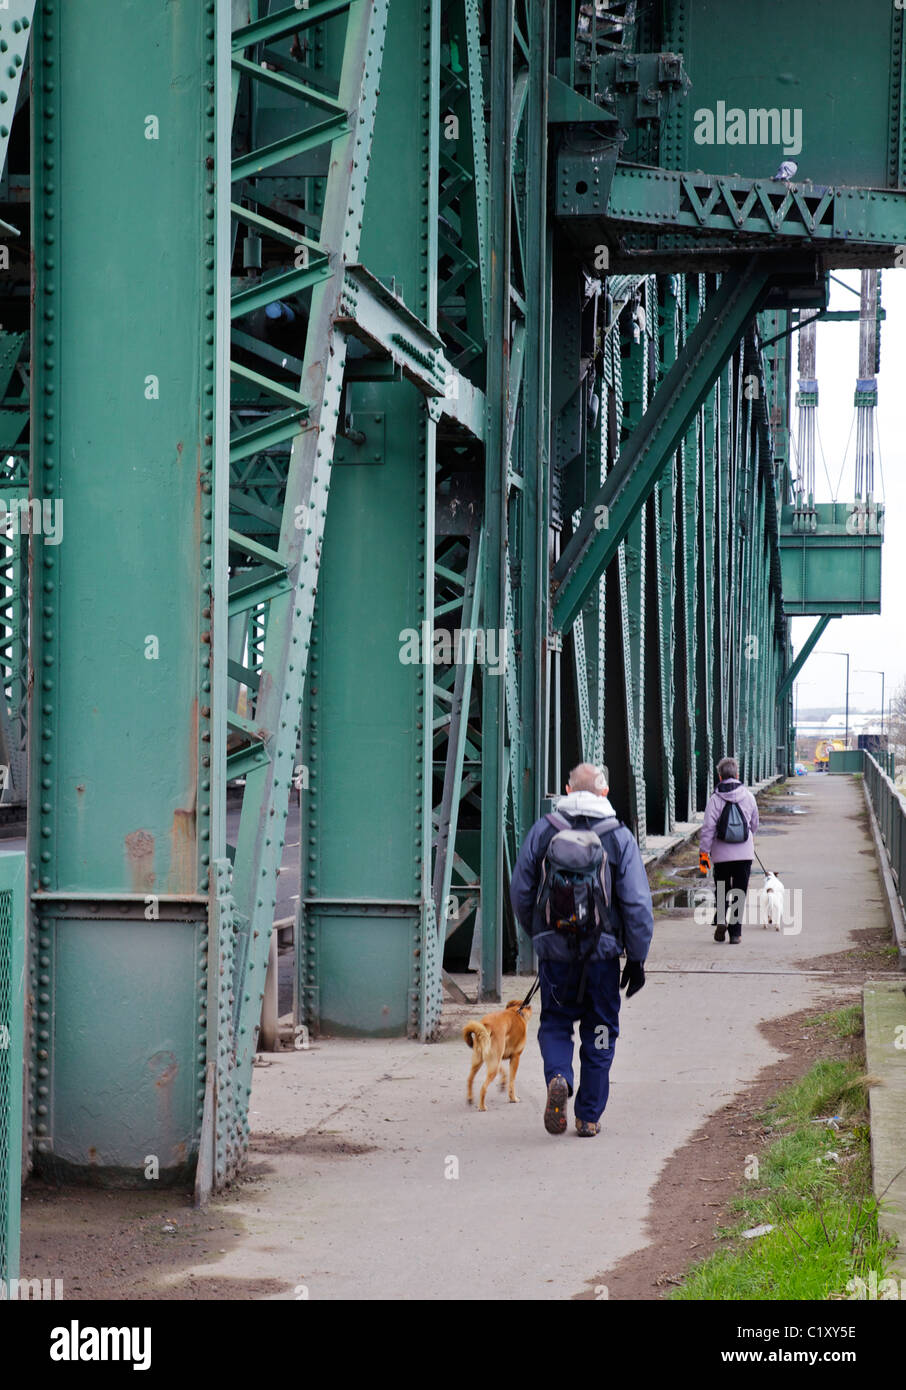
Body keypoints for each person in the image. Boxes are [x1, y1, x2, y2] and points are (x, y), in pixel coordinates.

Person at [509, 762, 653, 1137]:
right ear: (604, 794)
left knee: (555, 1022)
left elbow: (521, 889)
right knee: (600, 1029)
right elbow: (636, 903)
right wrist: (636, 958)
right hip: (602, 956)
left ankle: (558, 1076)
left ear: (568, 791)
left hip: (555, 954)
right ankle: (588, 1114)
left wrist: (539, 933)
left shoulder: (545, 830)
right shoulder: (618, 835)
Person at [698, 756, 759, 945]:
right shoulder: (748, 796)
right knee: (740, 891)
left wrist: (704, 853)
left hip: (721, 854)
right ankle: (735, 934)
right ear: (737, 774)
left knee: (722, 888)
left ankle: (722, 918)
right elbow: (754, 824)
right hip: (744, 853)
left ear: (720, 777)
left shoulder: (715, 799)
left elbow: (708, 828)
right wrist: (747, 837)